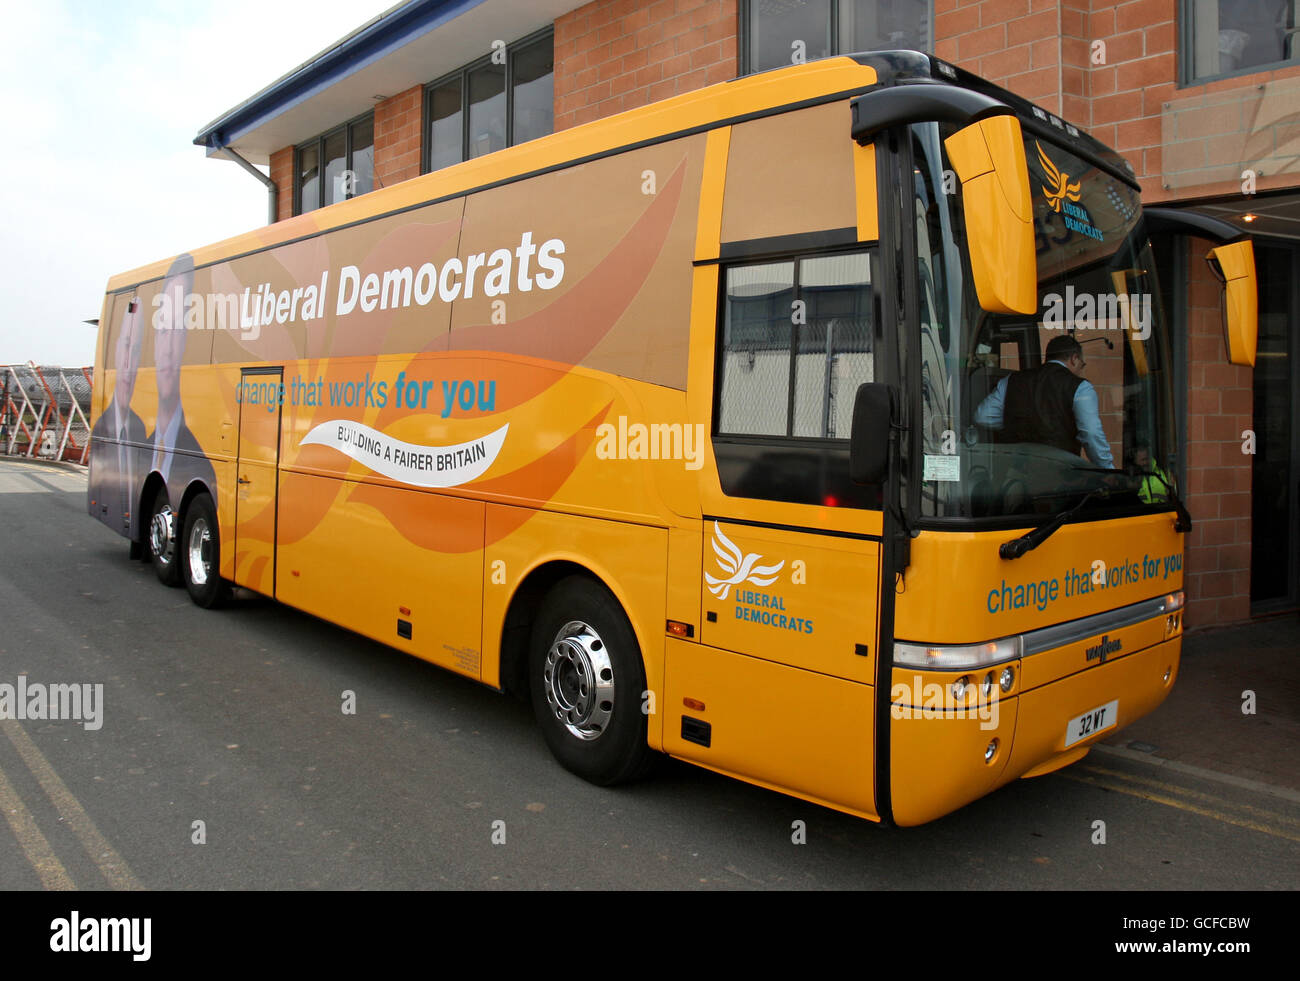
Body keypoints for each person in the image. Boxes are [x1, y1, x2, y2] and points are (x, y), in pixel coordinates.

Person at [974, 334, 1114, 468]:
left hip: (1018, 472)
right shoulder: (1081, 387)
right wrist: (1107, 469)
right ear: (1074, 358)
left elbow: (983, 416)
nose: (1080, 371)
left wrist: (1017, 424)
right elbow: (1091, 433)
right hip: (1061, 476)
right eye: (1081, 365)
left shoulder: (1011, 380)